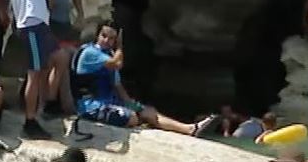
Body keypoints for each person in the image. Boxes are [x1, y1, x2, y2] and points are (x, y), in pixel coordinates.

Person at [71, 22, 218, 137]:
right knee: (133, 118)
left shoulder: (109, 54)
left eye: (111, 38)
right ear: (97, 35)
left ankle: (190, 129)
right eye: (104, 36)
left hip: (108, 102)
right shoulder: (90, 53)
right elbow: (117, 63)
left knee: (148, 111)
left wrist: (134, 105)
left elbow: (118, 86)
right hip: (90, 106)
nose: (106, 40)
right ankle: (141, 122)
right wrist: (120, 46)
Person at [9, 0, 73, 140]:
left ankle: (46, 103)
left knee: (61, 57)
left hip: (41, 26)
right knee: (34, 74)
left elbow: (51, 2)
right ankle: (30, 121)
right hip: (31, 26)